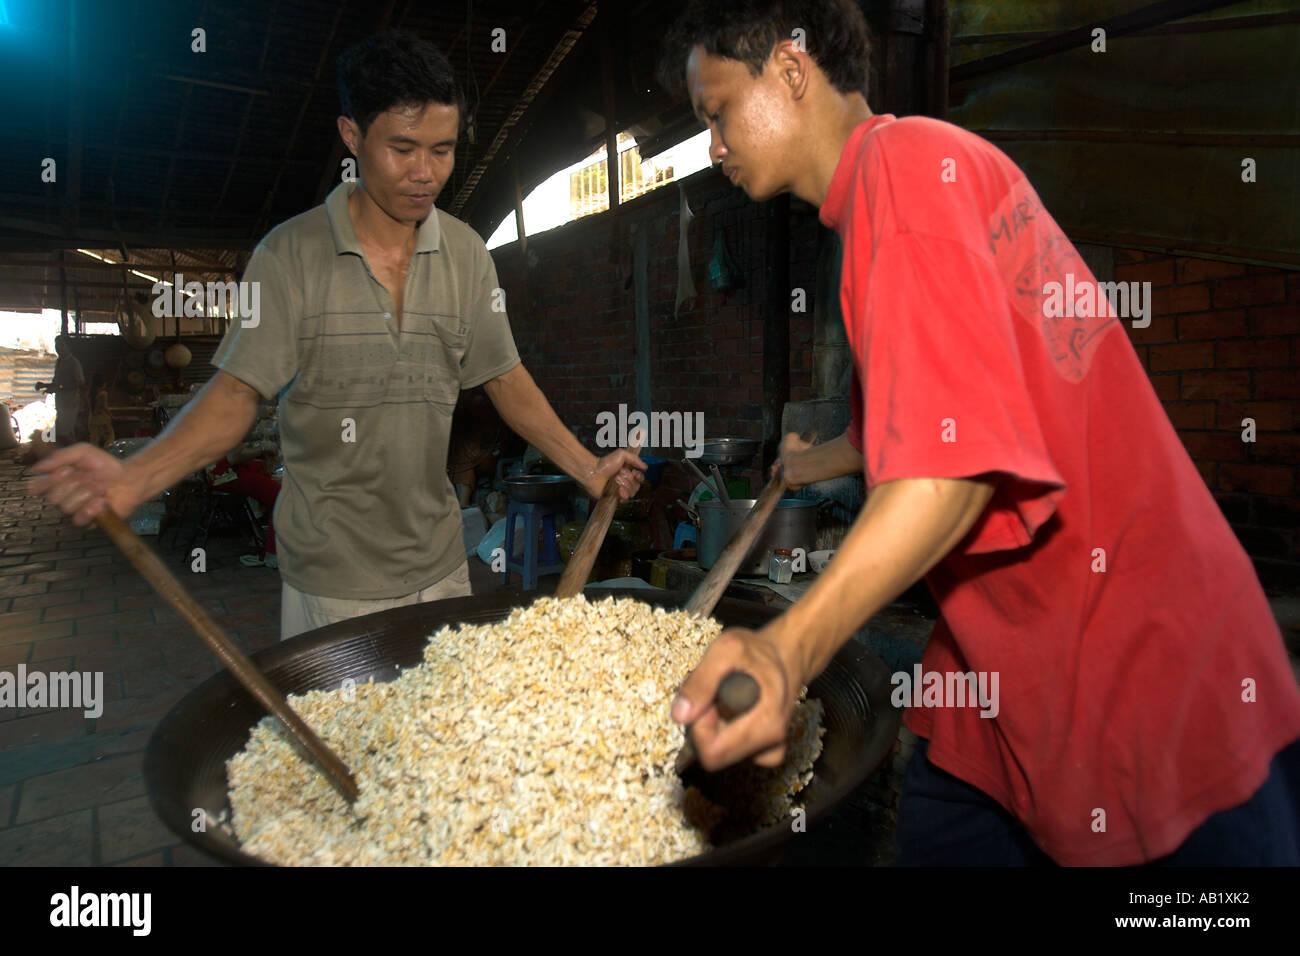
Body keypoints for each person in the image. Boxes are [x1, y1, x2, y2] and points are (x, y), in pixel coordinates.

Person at [658, 0, 1300, 866]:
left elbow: (953, 469)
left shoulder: (903, 175)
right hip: (1003, 653)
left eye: (718, 112)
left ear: (792, 69)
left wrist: (789, 649)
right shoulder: (915, 174)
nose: (714, 147)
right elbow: (965, 406)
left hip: (1134, 647)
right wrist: (826, 459)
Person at [30, 29, 644, 641]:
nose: (425, 174)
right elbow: (237, 396)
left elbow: (504, 378)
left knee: (446, 737)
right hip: (335, 585)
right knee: (345, 741)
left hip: (441, 567)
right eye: (402, 149)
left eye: (443, 149)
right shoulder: (291, 256)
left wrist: (587, 469)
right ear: (352, 135)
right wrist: (135, 477)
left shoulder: (466, 255)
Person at [35, 335, 85, 446]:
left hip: (70, 403)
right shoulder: (59, 362)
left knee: (64, 433)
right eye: (56, 345)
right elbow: (57, 383)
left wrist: (60, 387)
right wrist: (44, 385)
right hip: (61, 404)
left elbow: (80, 383)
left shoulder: (73, 363)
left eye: (61, 345)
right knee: (57, 433)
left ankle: (74, 455)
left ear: (68, 347)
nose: (58, 348)